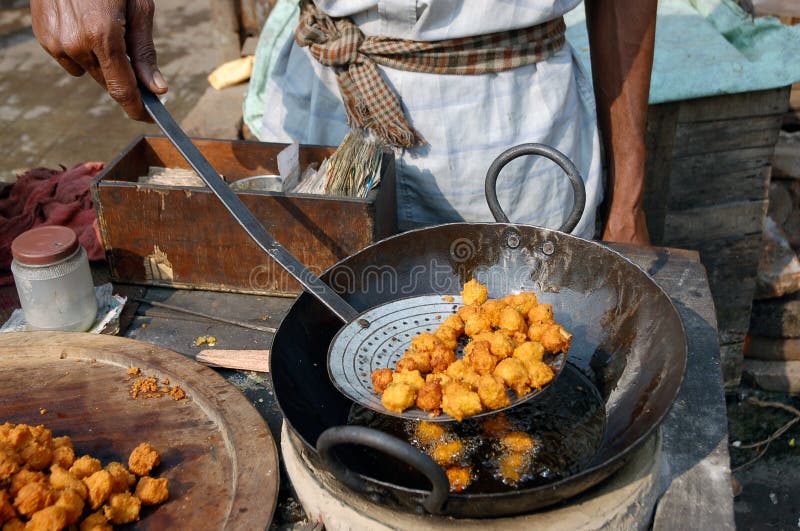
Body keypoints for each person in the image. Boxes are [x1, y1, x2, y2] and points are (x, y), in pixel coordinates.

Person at [30, 0, 655, 244]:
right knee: (316, 370)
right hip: (324, 106)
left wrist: (627, 202)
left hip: (513, 135)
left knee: (518, 362)